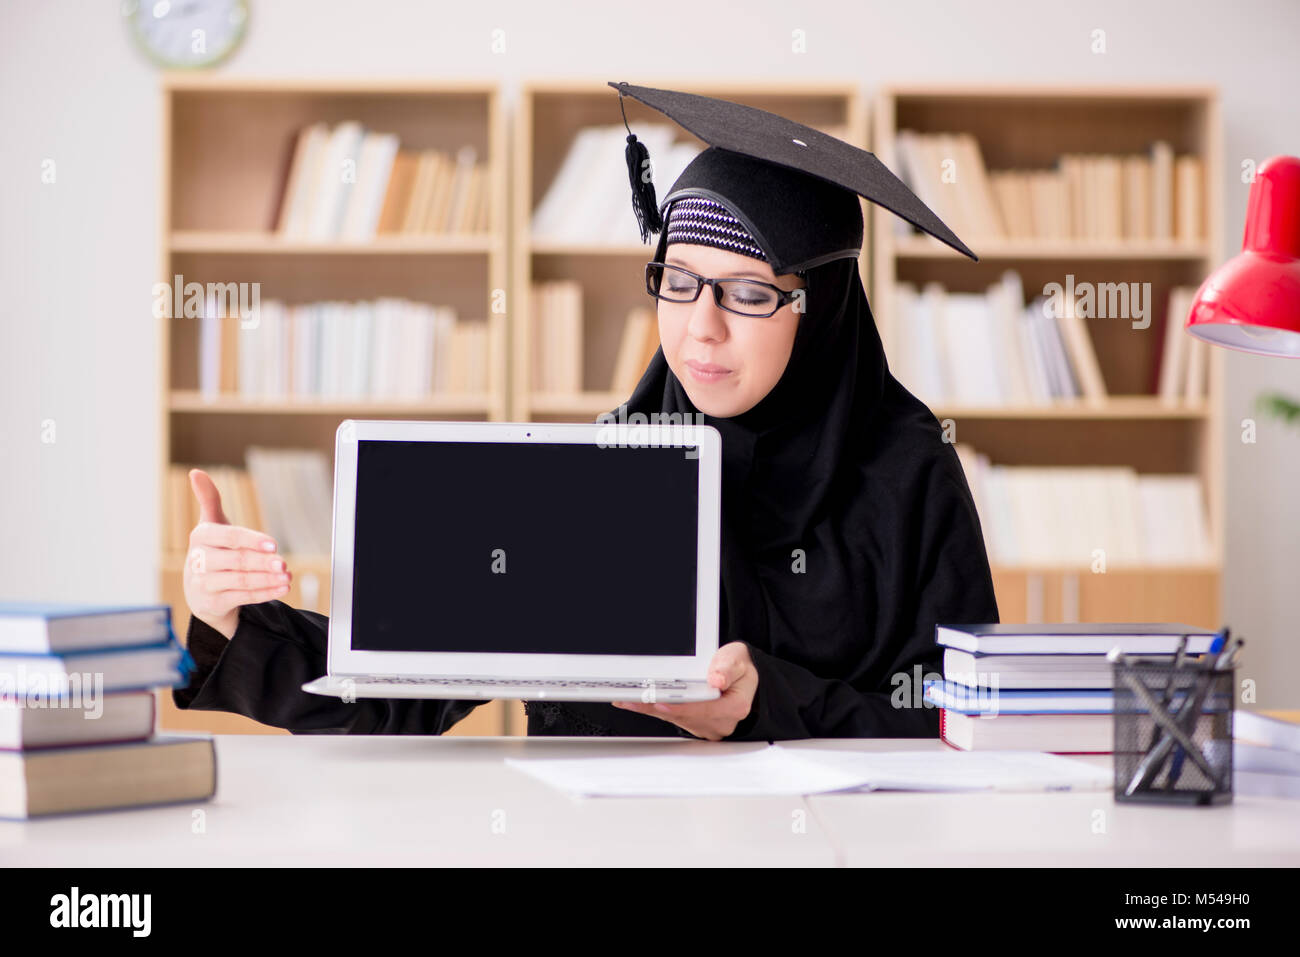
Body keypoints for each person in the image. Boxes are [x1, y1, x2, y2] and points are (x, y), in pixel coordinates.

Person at [173, 84, 999, 740]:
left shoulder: (908, 473)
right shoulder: (608, 469)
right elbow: (404, 683)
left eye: (748, 293)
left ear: (821, 309)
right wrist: (232, 619)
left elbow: (965, 710)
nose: (699, 328)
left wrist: (769, 704)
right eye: (677, 282)